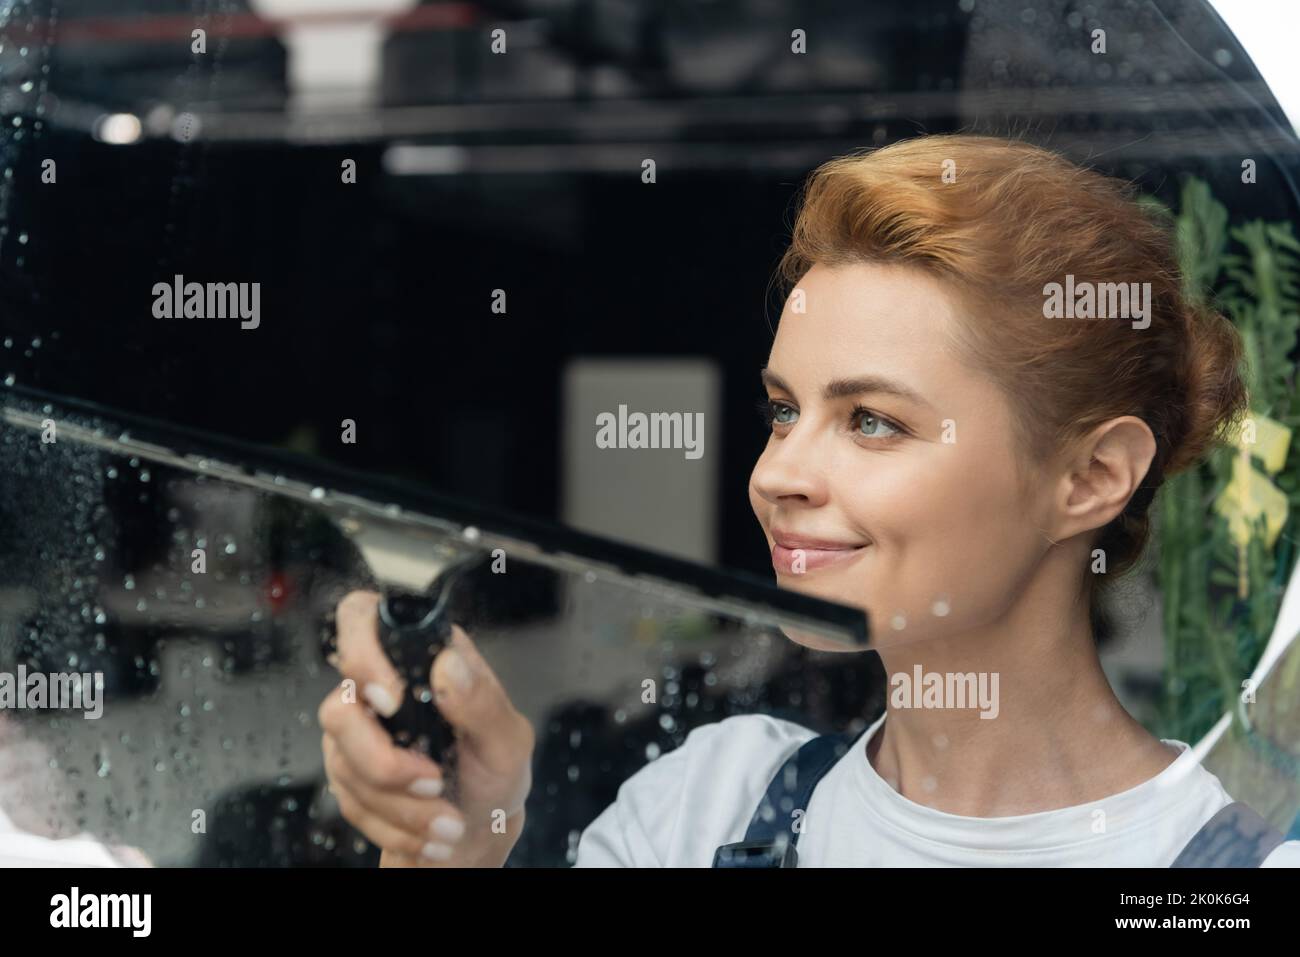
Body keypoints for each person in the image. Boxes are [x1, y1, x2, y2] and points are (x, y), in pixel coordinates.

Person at [316, 134, 1300, 867]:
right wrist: (461, 848)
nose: (774, 475)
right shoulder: (707, 808)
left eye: (872, 420)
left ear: (1089, 478)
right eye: (783, 412)